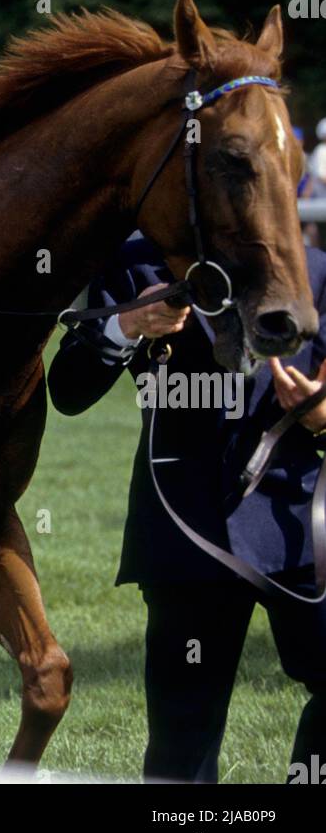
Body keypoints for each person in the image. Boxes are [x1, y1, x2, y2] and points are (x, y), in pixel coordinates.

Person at [47, 233, 326, 784]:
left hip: (296, 524)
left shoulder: (314, 266)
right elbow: (68, 390)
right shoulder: (134, 264)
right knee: (182, 744)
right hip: (183, 528)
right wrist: (127, 326)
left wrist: (322, 415)